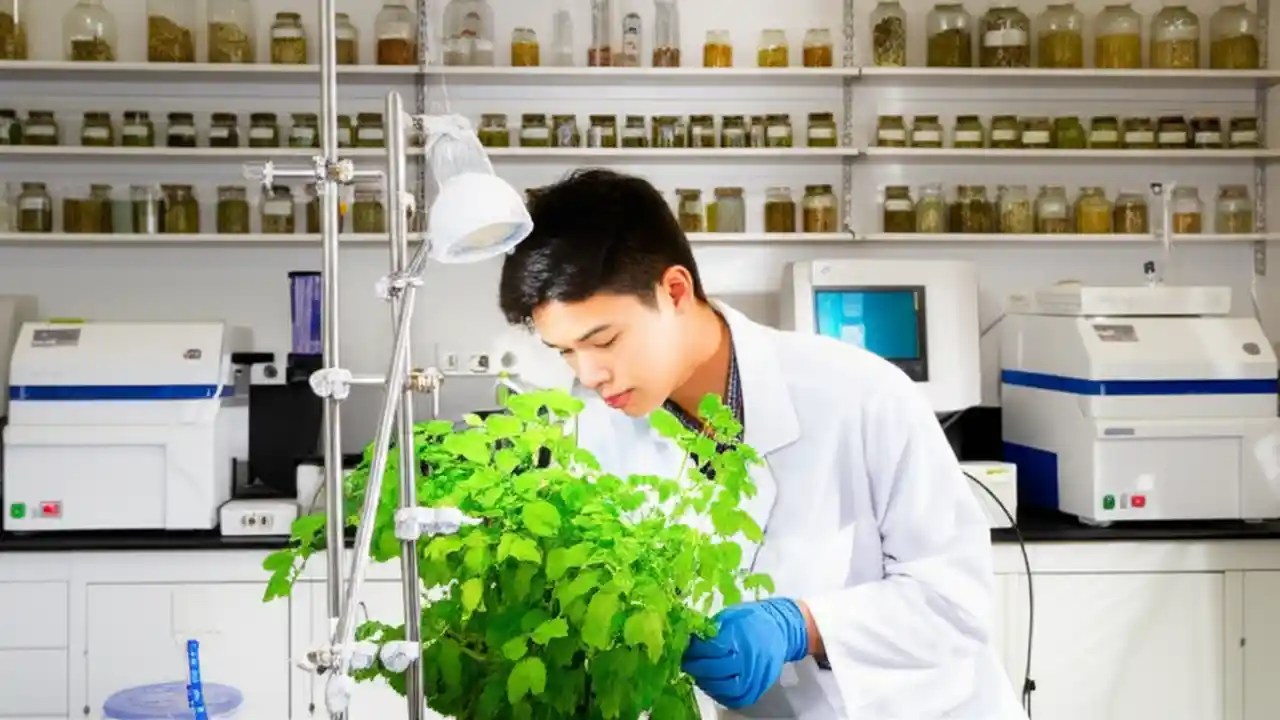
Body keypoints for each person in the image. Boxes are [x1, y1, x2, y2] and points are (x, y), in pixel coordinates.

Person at [498, 168, 1027, 720]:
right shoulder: (596, 431)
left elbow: (955, 603)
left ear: (674, 291)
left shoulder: (859, 394)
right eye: (565, 352)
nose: (591, 373)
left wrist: (803, 624)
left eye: (603, 340)